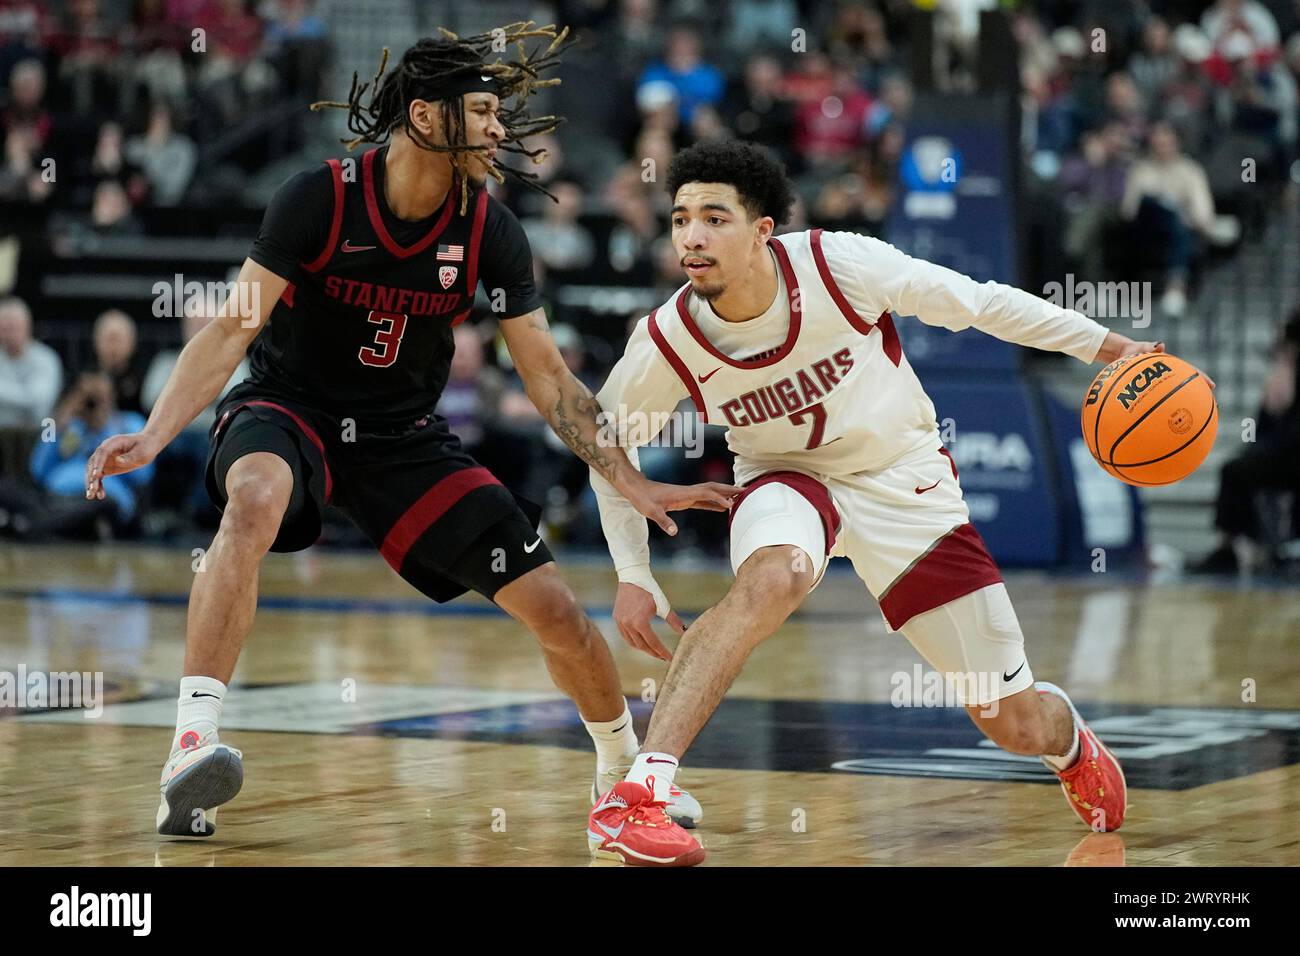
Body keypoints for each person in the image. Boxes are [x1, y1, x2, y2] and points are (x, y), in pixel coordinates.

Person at [84, 25, 734, 839]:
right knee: (252, 500)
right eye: (484, 112)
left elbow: (548, 377)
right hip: (290, 408)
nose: (499, 130)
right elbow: (230, 329)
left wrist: (627, 476)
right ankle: (192, 745)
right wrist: (153, 434)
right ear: (426, 116)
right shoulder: (318, 198)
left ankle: (622, 775)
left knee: (558, 611)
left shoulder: (489, 228)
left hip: (405, 436)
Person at [586, 140, 1163, 866]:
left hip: (901, 477)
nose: (691, 237)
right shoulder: (669, 336)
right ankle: (640, 794)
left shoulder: (839, 265)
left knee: (1014, 724)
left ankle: (1067, 741)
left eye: (714, 218)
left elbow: (981, 304)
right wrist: (633, 573)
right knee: (773, 576)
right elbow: (605, 443)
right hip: (785, 478)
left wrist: (1112, 349)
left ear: (763, 231)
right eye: (679, 219)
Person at [1191, 309, 1300, 574]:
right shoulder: (1283, 373)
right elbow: (1266, 426)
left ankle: (1286, 545)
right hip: (1284, 450)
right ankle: (1232, 547)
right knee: (1235, 469)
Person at [0, 296, 63, 428]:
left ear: (28, 326)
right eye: (4, 328)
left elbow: (39, 402)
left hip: (39, 432)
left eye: (14, 327)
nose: (9, 333)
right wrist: (23, 395)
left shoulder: (47, 359)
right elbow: (28, 399)